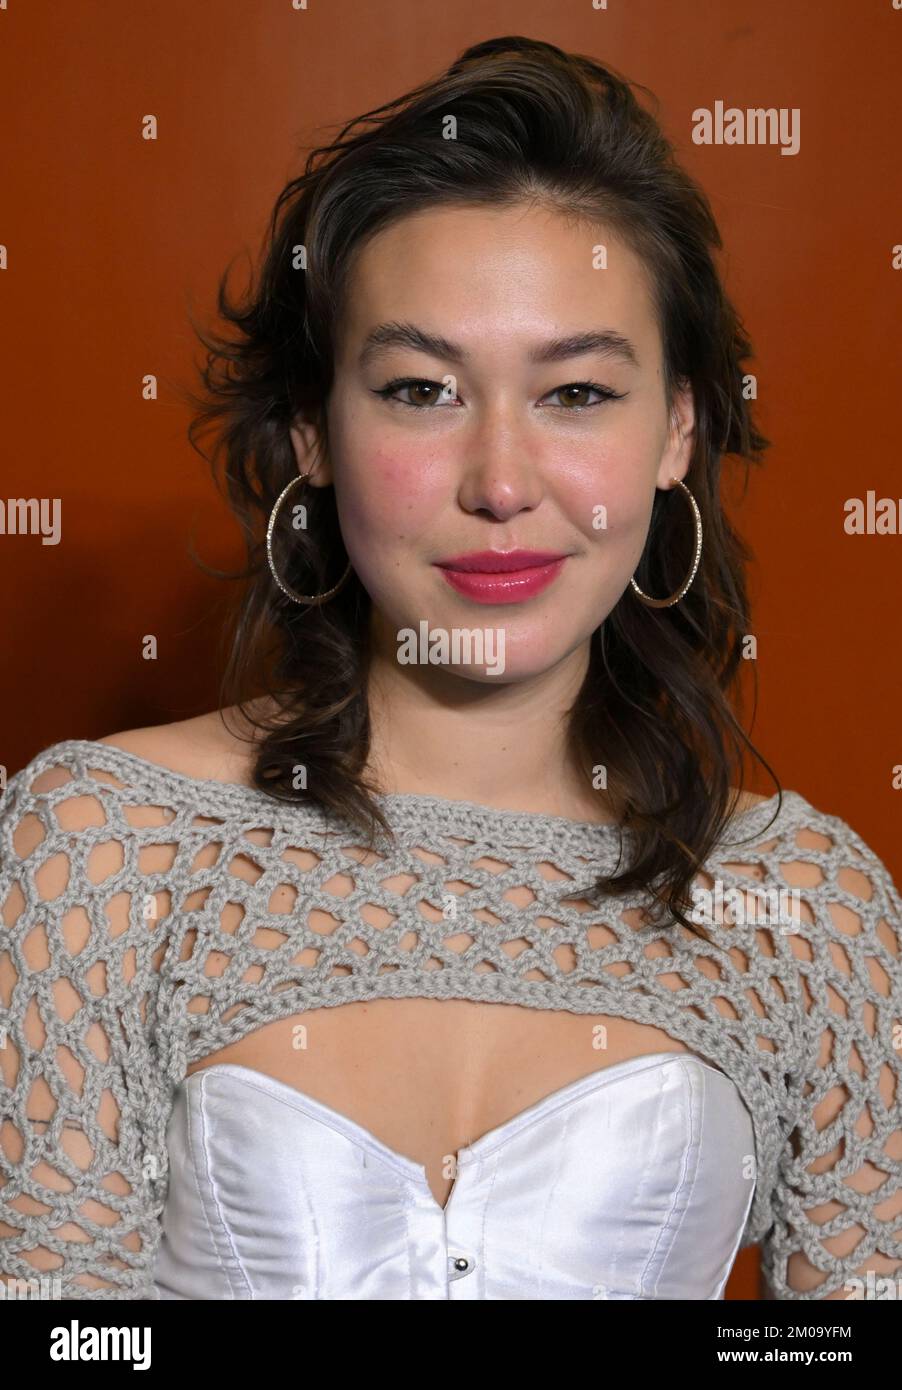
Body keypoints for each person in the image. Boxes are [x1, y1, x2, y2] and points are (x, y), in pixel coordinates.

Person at [1, 35, 900, 1303]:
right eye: (421, 389)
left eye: (576, 392)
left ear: (677, 428)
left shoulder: (806, 915)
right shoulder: (100, 846)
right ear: (314, 429)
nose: (499, 482)